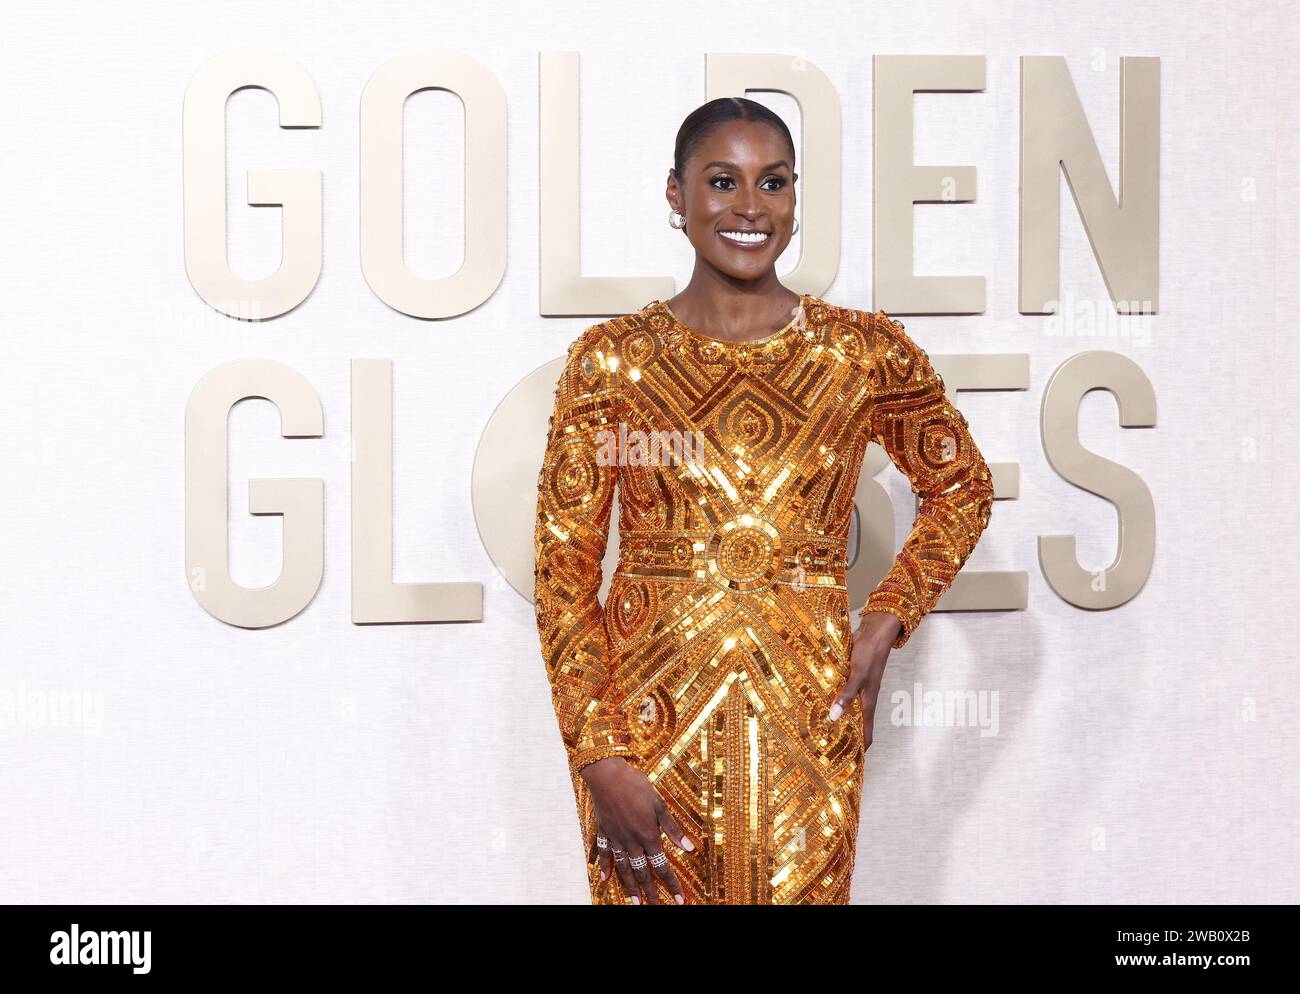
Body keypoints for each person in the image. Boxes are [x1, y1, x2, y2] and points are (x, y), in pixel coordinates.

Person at [532, 96, 995, 904]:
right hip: (645, 725)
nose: (751, 207)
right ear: (675, 197)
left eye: (773, 183)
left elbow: (962, 487)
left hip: (808, 711)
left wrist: (886, 619)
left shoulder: (863, 353)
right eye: (722, 181)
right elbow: (563, 571)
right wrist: (598, 751)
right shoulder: (610, 363)